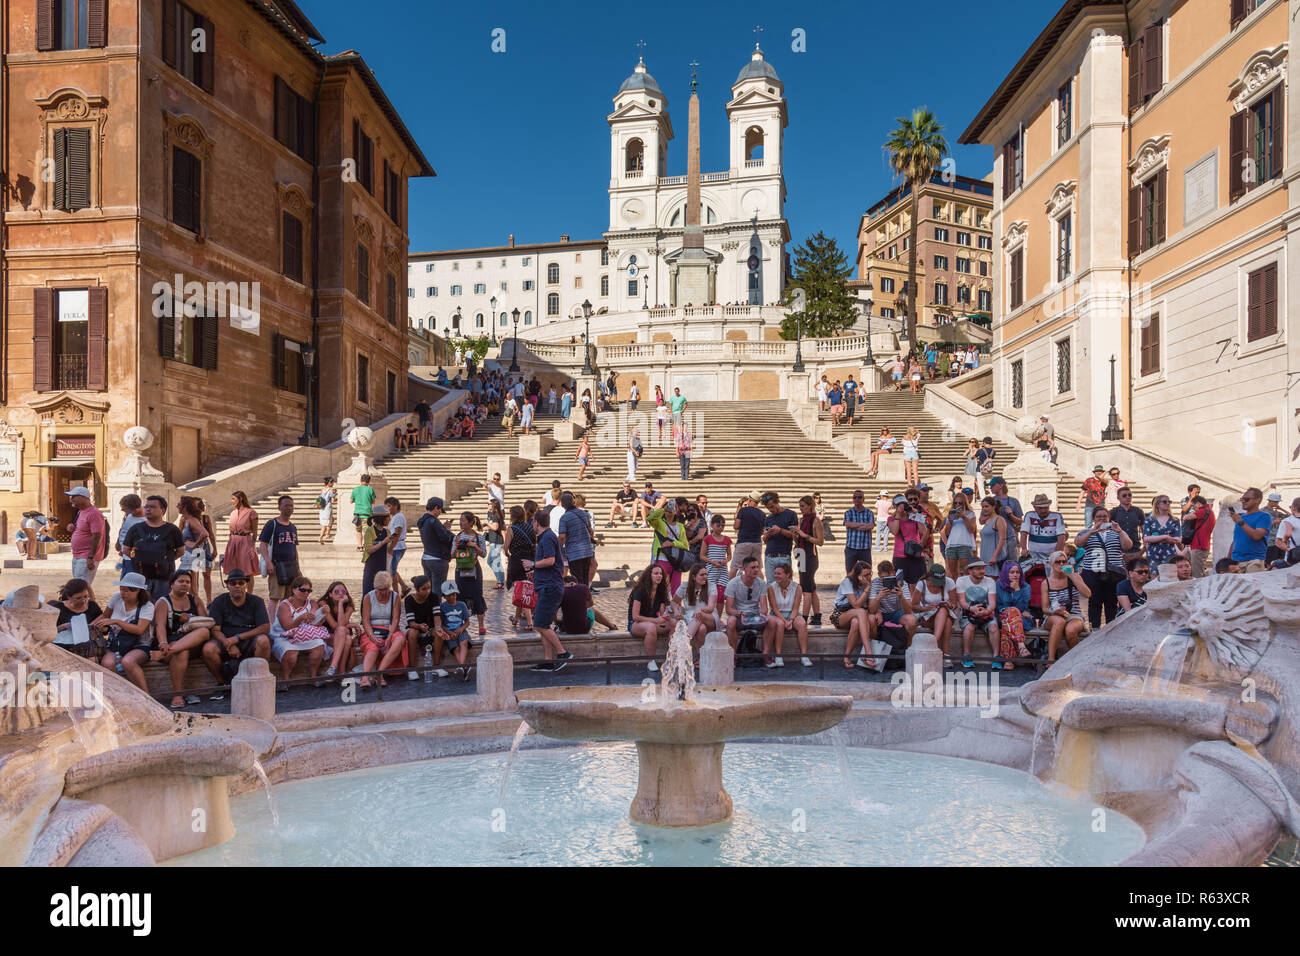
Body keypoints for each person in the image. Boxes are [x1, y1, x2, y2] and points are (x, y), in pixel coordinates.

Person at [201, 569, 271, 694]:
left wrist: (238, 638)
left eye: (241, 582)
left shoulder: (257, 601)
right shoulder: (218, 602)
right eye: (233, 583)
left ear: (246, 584)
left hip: (248, 639)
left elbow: (265, 627)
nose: (237, 586)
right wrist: (229, 643)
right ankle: (222, 683)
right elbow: (215, 630)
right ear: (227, 586)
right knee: (208, 649)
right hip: (225, 640)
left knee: (263, 641)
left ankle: (257, 680)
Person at [522, 509, 573, 672]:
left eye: (532, 523)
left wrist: (533, 565)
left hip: (550, 587)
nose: (532, 525)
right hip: (547, 585)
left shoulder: (547, 538)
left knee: (540, 624)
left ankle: (563, 653)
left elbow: (550, 560)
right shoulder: (547, 537)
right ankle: (548, 660)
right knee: (542, 623)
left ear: (536, 523)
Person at [93, 572, 157, 695]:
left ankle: (146, 696)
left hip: (138, 645)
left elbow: (139, 629)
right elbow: (104, 616)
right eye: (122, 589)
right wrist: (90, 626)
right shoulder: (116, 598)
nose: (124, 593)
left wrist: (117, 621)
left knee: (128, 662)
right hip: (116, 644)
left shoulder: (147, 606)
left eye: (128, 590)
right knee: (107, 663)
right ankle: (119, 695)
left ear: (138, 591)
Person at [152, 570, 210, 708]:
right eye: (181, 581)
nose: (185, 584)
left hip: (193, 641)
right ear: (172, 584)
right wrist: (163, 643)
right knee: (182, 652)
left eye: (188, 582)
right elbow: (159, 626)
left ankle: (169, 652)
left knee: (204, 631)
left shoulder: (195, 600)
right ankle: (177, 694)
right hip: (170, 641)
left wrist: (191, 618)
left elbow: (206, 621)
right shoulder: (163, 602)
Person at [1074, 505, 1131, 629]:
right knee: (1094, 602)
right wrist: (1092, 531)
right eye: (1098, 516)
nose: (1102, 519)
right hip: (1092, 572)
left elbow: (1128, 546)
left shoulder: (1117, 531)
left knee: (1111, 602)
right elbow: (1078, 543)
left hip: (1114, 573)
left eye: (1105, 516)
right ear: (1093, 518)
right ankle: (1094, 628)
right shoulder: (1086, 532)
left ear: (1109, 518)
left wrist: (1120, 531)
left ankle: (1111, 629)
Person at [122, 495, 186, 601]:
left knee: (162, 605)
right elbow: (126, 549)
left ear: (163, 510)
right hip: (140, 577)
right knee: (140, 606)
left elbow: (181, 551)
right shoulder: (136, 529)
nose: (147, 509)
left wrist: (165, 560)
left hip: (164, 579)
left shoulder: (172, 530)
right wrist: (139, 558)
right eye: (146, 506)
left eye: (152, 507)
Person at [268, 575, 327, 687]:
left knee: (319, 645)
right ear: (293, 590)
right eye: (302, 590)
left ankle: (313, 676)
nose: (306, 593)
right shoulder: (284, 606)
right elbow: (287, 626)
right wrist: (300, 618)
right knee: (291, 653)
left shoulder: (312, 603)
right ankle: (286, 679)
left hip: (305, 635)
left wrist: (323, 614)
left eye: (309, 590)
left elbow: (315, 622)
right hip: (284, 636)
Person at [359, 571, 404, 689]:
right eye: (378, 589)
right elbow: (366, 620)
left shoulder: (395, 597)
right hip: (372, 629)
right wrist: (371, 636)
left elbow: (395, 619)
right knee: (372, 646)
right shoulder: (369, 597)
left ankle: (379, 673)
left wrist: (389, 636)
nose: (380, 592)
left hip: (389, 629)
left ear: (389, 587)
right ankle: (365, 677)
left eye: (383, 589)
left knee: (399, 638)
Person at [257, 495, 300, 617]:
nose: (289, 508)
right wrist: (268, 562)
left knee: (288, 598)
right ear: (279, 507)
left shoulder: (292, 527)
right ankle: (272, 623)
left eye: (291, 506)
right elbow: (263, 544)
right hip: (276, 566)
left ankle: (284, 621)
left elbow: (294, 548)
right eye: (286, 505)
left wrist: (298, 567)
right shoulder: (272, 524)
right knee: (275, 596)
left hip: (291, 566)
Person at [1044, 551, 1090, 661]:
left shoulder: (1074, 577)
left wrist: (1072, 576)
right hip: (1054, 615)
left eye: (1063, 562)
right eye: (1057, 562)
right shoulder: (1046, 583)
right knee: (1060, 622)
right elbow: (1045, 608)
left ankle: (1077, 660)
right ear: (1051, 564)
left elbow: (1087, 594)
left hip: (1074, 614)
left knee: (1070, 630)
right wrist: (1054, 612)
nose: (1061, 565)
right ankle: (1050, 661)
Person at [724, 556, 774, 654]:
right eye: (753, 567)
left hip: (755, 615)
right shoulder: (733, 583)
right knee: (730, 622)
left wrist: (762, 615)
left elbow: (764, 607)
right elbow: (729, 609)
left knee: (772, 621)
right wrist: (740, 614)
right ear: (744, 569)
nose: (756, 570)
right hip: (739, 616)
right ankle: (733, 655)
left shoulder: (761, 583)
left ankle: (765, 654)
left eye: (757, 567)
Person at [953, 559, 998, 669]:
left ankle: (997, 657)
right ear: (969, 571)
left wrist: (986, 611)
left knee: (993, 628)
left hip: (986, 611)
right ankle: (966, 655)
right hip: (968, 611)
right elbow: (962, 602)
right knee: (970, 627)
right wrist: (971, 608)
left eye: (983, 568)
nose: (982, 571)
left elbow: (992, 603)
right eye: (978, 569)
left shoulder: (990, 581)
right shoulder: (961, 580)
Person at [869, 559, 917, 660]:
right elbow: (871, 610)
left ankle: (908, 651)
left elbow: (909, 611)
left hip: (897, 613)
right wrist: (879, 597)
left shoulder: (901, 583)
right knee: (871, 619)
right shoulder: (875, 583)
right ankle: (874, 649)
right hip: (881, 613)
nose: (885, 580)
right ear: (878, 575)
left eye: (889, 577)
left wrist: (901, 596)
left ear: (893, 573)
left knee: (912, 621)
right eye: (883, 578)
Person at [766, 562, 810, 668]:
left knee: (802, 624)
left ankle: (804, 655)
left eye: (779, 574)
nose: (776, 576)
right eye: (775, 573)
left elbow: (795, 607)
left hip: (792, 614)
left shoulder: (797, 587)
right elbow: (775, 609)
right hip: (777, 614)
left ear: (788, 575)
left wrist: (791, 620)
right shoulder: (771, 588)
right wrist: (785, 621)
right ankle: (778, 655)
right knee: (780, 624)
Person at [452, 511, 488, 636]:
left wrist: (474, 546)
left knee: (477, 595)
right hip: (460, 570)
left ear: (471, 523)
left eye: (463, 520)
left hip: (474, 569)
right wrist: (456, 547)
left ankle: (481, 626)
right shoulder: (457, 537)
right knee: (460, 597)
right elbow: (451, 555)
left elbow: (483, 554)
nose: (460, 522)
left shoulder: (479, 537)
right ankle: (462, 624)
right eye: (460, 520)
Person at [402, 575, 445, 678]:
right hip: (415, 627)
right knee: (412, 633)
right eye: (424, 589)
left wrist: (438, 628)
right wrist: (419, 626)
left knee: (439, 632)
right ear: (417, 590)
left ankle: (436, 666)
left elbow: (437, 617)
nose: (427, 591)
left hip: (429, 628)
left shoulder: (434, 597)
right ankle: (412, 668)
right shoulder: (409, 600)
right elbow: (410, 622)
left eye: (429, 588)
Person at [50, 578, 104, 660]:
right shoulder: (57, 608)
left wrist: (92, 627)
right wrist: (63, 627)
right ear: (68, 597)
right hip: (63, 647)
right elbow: (47, 631)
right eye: (78, 598)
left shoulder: (92, 606)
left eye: (86, 596)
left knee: (91, 660)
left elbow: (105, 629)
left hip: (88, 649)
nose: (83, 600)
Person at [834, 561, 874, 669]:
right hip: (840, 614)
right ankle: (868, 651)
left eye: (870, 574)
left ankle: (846, 657)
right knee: (860, 611)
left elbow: (870, 605)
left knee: (856, 622)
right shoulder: (847, 582)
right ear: (858, 576)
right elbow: (856, 605)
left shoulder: (869, 584)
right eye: (866, 575)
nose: (869, 577)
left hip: (857, 616)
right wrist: (866, 589)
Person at [64, 485, 105, 591]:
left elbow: (97, 536)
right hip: (77, 555)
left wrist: (91, 557)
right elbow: (83, 530)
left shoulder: (94, 513)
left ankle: (89, 605)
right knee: (80, 585)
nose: (71, 499)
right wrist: (72, 527)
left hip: (86, 555)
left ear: (83, 497)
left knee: (82, 586)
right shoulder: (80, 512)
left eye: (73, 497)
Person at [647, 498, 691, 595]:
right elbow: (650, 519)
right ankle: (658, 609)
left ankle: (676, 608)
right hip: (661, 558)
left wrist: (673, 543)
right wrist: (663, 509)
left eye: (673, 508)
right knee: (659, 588)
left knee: (676, 588)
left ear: (676, 512)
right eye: (669, 507)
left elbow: (685, 545)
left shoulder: (680, 526)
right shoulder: (659, 523)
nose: (670, 510)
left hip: (676, 561)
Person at [433, 580, 474, 681]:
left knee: (463, 643)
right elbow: (440, 624)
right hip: (448, 632)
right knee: (455, 648)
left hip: (461, 631)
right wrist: (449, 632)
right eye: (449, 595)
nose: (452, 597)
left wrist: (461, 629)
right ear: (444, 596)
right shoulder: (442, 607)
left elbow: (467, 622)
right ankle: (463, 667)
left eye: (454, 594)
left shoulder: (462, 605)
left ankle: (461, 666)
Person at [996, 562, 1034, 667]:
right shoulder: (998, 586)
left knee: (1007, 624)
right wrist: (1014, 610)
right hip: (1002, 616)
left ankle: (1008, 661)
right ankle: (1021, 644)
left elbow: (1022, 607)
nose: (1015, 575)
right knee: (1011, 613)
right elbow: (997, 607)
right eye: (1012, 572)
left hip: (1021, 620)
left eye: (1018, 572)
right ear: (1005, 573)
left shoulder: (1025, 587)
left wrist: (1017, 590)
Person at [674, 563, 719, 651]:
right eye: (702, 575)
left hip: (710, 617)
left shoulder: (711, 586)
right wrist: (676, 610)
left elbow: (710, 608)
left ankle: (682, 644)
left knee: (700, 615)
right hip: (691, 618)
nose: (705, 577)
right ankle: (700, 657)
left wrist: (700, 609)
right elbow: (674, 602)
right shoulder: (685, 587)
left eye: (706, 574)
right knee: (701, 629)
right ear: (694, 577)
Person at [912, 563, 955, 656]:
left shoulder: (949, 582)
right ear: (929, 577)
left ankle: (933, 644)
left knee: (944, 611)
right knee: (946, 621)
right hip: (927, 617)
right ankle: (945, 654)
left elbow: (955, 604)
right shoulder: (921, 584)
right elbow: (914, 607)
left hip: (945, 614)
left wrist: (950, 605)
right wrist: (925, 608)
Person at [794, 495, 824, 626]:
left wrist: (805, 535)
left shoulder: (816, 521)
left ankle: (804, 618)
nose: (801, 509)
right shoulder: (802, 520)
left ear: (810, 506)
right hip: (802, 554)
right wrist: (796, 535)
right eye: (800, 506)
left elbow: (820, 541)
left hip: (810, 557)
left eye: (803, 506)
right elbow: (798, 539)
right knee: (812, 588)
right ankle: (817, 616)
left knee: (806, 589)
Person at [321, 581, 359, 678]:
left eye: (343, 591)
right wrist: (351, 624)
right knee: (348, 639)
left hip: (341, 632)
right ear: (330, 594)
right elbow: (334, 626)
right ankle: (341, 672)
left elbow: (341, 624)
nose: (340, 593)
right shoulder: (324, 604)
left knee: (342, 631)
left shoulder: (349, 606)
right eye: (336, 591)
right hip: (328, 635)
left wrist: (341, 604)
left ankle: (333, 667)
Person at [1227, 488, 1272, 572]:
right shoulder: (1241, 517)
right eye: (1242, 499)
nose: (1243, 501)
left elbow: (1257, 536)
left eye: (1246, 499)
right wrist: (1228, 559)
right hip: (1236, 560)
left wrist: (1240, 522)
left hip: (1254, 560)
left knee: (1253, 584)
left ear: (1257, 500)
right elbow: (1236, 539)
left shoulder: (1264, 516)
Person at [416, 497, 455, 595]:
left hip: (426, 558)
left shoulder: (423, 521)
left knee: (428, 591)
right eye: (440, 510)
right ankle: (436, 609)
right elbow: (445, 538)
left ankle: (429, 610)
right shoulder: (434, 521)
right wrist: (447, 529)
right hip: (437, 559)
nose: (440, 512)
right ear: (436, 508)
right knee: (437, 591)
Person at [887, 495, 927, 586]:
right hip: (900, 555)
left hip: (916, 554)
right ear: (895, 506)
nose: (902, 507)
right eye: (899, 505)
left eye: (904, 504)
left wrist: (916, 514)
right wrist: (898, 515)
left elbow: (923, 531)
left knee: (919, 583)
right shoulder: (891, 519)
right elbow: (895, 531)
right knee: (901, 584)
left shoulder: (913, 516)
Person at [760, 492, 799, 585]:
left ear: (778, 501)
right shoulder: (768, 519)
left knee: (787, 585)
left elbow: (795, 535)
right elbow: (765, 540)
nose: (771, 509)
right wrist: (768, 534)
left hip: (784, 555)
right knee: (770, 586)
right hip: (769, 556)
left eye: (772, 506)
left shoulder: (790, 514)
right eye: (768, 508)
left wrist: (780, 530)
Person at [939, 490, 978, 579]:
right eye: (955, 503)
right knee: (953, 574)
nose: (957, 505)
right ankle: (955, 591)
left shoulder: (970, 514)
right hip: (952, 545)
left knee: (966, 572)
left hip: (965, 544)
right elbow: (947, 532)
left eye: (960, 503)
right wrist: (950, 521)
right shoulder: (951, 513)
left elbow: (971, 530)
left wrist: (964, 517)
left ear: (964, 503)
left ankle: (964, 591)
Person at [1021, 494, 1068, 566]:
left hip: (1051, 556)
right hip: (1033, 555)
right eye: (1040, 508)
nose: (1043, 510)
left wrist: (1057, 553)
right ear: (1034, 507)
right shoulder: (1029, 515)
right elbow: (1024, 533)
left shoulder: (1057, 516)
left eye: (1046, 507)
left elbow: (1061, 536)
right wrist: (1024, 548)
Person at [1142, 495, 1182, 575]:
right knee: (1154, 578)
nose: (1167, 503)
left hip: (1170, 553)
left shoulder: (1174, 520)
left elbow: (1178, 539)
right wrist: (1165, 537)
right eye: (1164, 502)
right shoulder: (1149, 520)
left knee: (1169, 578)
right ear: (1157, 504)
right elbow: (1145, 538)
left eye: (1169, 502)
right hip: (1153, 553)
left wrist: (1155, 538)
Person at [987, 477, 1023, 564]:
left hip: (1010, 537)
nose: (990, 488)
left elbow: (1020, 521)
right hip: (994, 537)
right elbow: (982, 520)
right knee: (995, 564)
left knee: (1011, 564)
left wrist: (1010, 514)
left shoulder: (1013, 501)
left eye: (992, 485)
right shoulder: (990, 501)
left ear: (1001, 485)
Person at [731, 493, 766, 575]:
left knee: (734, 567)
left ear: (750, 500)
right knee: (757, 569)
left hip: (744, 542)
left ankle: (729, 588)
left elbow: (736, 526)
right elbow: (763, 530)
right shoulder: (762, 514)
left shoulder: (743, 510)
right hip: (757, 543)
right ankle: (761, 587)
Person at [361, 504, 392, 596]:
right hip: (372, 566)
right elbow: (369, 550)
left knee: (382, 592)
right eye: (387, 517)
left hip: (382, 565)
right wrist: (383, 542)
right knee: (368, 592)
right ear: (381, 518)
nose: (389, 519)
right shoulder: (370, 531)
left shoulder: (387, 532)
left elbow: (389, 550)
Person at [1182, 495, 1215, 577]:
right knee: (1199, 570)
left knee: (1196, 573)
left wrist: (1186, 515)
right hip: (1201, 545)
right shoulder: (1208, 511)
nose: (1193, 508)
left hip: (1199, 546)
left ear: (1198, 503)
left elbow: (1187, 517)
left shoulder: (1203, 510)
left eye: (1193, 506)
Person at [1111, 485, 1145, 566]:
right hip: (1119, 550)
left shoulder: (1138, 511)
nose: (1127, 497)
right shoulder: (1113, 512)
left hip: (1135, 549)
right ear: (1118, 497)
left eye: (1129, 495)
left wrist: (1144, 549)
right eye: (1124, 495)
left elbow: (1144, 530)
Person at [976, 497, 1008, 576]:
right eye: (983, 507)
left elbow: (1002, 539)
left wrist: (994, 556)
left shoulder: (999, 520)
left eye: (986, 506)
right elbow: (980, 520)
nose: (984, 509)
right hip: (985, 557)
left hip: (994, 558)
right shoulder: (986, 521)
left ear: (993, 507)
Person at [116, 494, 146, 574]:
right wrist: (119, 544)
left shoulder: (146, 520)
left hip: (132, 559)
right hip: (125, 556)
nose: (122, 510)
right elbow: (123, 530)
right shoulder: (129, 515)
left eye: (124, 509)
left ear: (134, 510)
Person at [485, 501, 507, 590]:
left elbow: (495, 527)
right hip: (494, 541)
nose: (487, 505)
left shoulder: (495, 515)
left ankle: (500, 581)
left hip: (496, 542)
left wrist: (487, 523)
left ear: (493, 506)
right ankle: (500, 580)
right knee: (491, 561)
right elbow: (504, 527)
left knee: (495, 562)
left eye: (489, 504)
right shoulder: (496, 515)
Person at [350, 475, 376, 550]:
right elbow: (373, 501)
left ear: (360, 480)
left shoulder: (355, 489)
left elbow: (351, 501)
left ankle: (360, 546)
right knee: (367, 532)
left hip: (357, 514)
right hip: (366, 514)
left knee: (359, 531)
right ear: (369, 481)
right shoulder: (370, 489)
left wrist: (357, 500)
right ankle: (367, 546)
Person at [1274, 497, 1300, 568]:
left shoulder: (1288, 521)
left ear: (1293, 508)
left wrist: (1287, 548)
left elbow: (1278, 542)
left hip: (1294, 559)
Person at [316, 477, 336, 546]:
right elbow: (333, 500)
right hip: (327, 508)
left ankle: (322, 537)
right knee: (327, 523)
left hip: (322, 508)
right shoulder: (331, 490)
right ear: (329, 483)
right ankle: (326, 535)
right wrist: (335, 496)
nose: (333, 483)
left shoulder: (323, 489)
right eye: (333, 482)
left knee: (327, 522)